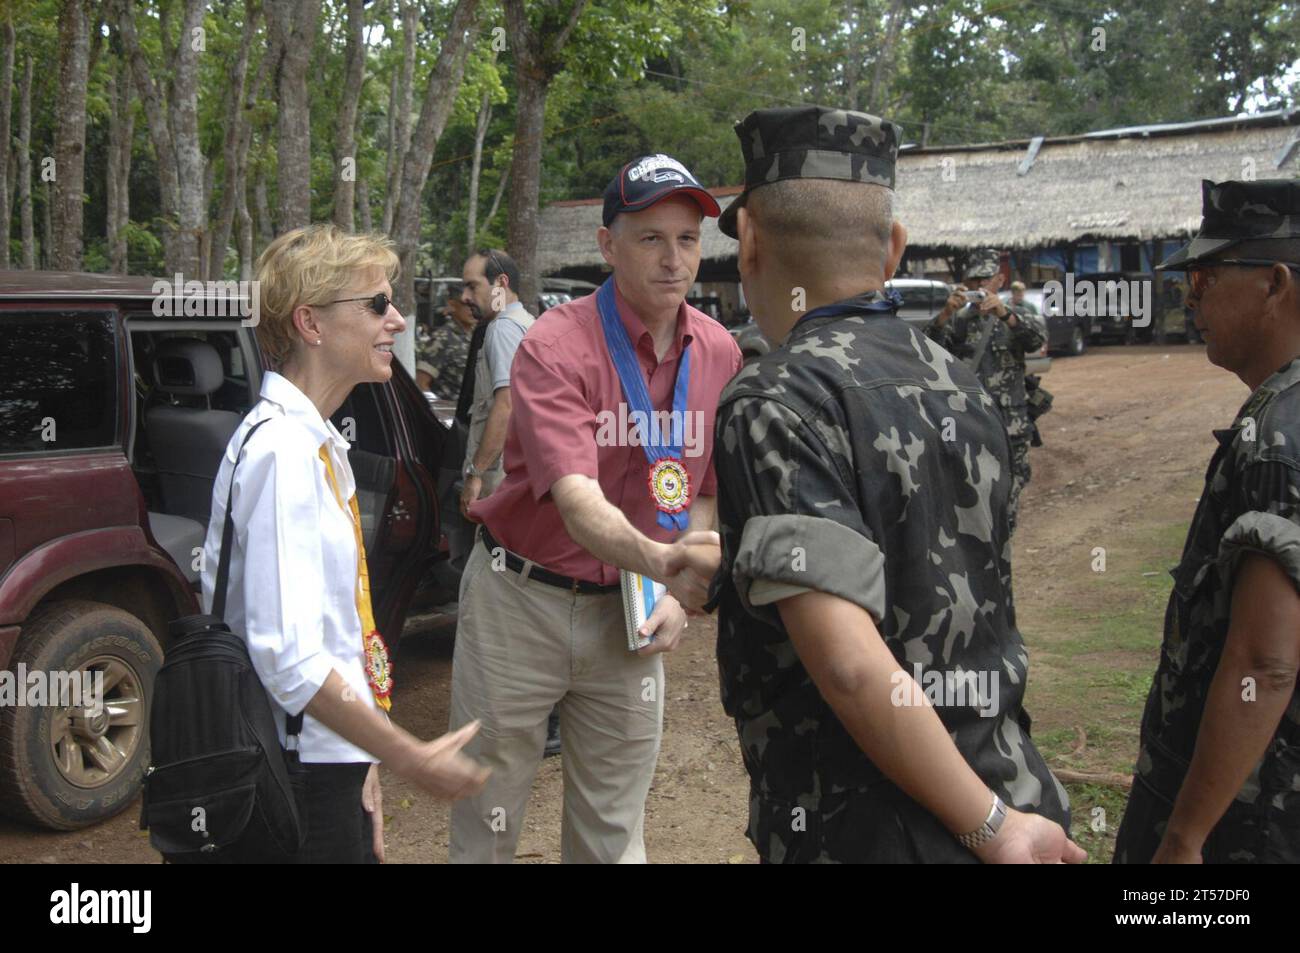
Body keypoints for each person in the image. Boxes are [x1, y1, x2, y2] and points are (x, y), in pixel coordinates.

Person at [681, 105, 1081, 864]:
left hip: (875, 826)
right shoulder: (960, 381)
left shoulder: (774, 399)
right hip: (1002, 779)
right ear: (894, 247)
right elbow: (914, 570)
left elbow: (849, 662)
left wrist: (991, 829)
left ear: (750, 241)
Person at [447, 154, 741, 863]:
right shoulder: (555, 345)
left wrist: (674, 585)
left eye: (688, 239)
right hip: (521, 603)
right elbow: (578, 501)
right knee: (487, 815)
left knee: (613, 829)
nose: (674, 260)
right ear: (608, 245)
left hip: (630, 611)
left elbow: (704, 487)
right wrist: (669, 564)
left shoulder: (721, 352)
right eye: (651, 239)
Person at [202, 224, 488, 863]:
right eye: (378, 304)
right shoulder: (283, 452)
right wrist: (408, 754)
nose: (398, 321)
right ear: (310, 323)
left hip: (325, 756)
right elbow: (290, 660)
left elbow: (332, 633)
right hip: (294, 771)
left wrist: (363, 755)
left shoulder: (313, 441)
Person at [1114, 179, 1300, 864]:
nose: (1190, 298)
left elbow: (1264, 663)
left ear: (1274, 283)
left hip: (1244, 819)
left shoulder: (1277, 436)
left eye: (1204, 277)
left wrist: (1185, 835)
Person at [925, 251, 1046, 533]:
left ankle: (1003, 545)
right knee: (969, 494)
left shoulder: (1016, 315)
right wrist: (944, 315)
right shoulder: (959, 320)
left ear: (1000, 280)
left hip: (1010, 424)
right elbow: (928, 354)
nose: (980, 285)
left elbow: (1036, 341)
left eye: (986, 279)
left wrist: (1005, 314)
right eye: (974, 279)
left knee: (1009, 495)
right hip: (970, 423)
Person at [458, 249, 535, 514]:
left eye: (472, 286)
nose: (464, 297)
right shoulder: (526, 322)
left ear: (501, 283)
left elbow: (506, 406)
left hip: (500, 479)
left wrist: (475, 473)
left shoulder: (503, 328)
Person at [415, 291, 475, 397]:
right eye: (467, 304)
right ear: (452, 305)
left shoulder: (478, 335)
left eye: (475, 304)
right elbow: (421, 383)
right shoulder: (442, 338)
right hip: (448, 405)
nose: (472, 309)